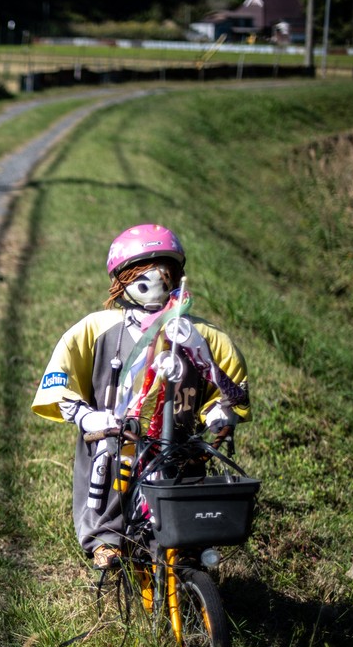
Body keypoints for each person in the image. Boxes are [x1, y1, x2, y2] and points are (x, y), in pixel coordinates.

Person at [31, 223, 251, 569]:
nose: (154, 289)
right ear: (122, 281)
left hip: (179, 441)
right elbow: (59, 379)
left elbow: (230, 386)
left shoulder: (203, 336)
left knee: (186, 487)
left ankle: (188, 546)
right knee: (108, 477)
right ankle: (104, 538)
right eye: (141, 280)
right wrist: (86, 415)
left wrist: (218, 412)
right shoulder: (95, 329)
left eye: (164, 278)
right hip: (116, 437)